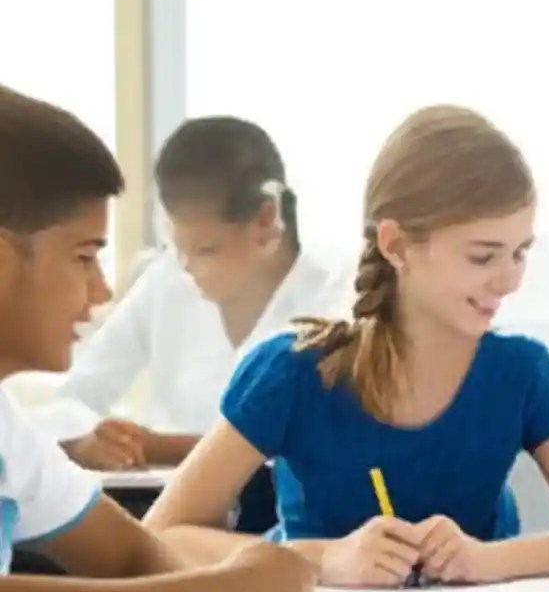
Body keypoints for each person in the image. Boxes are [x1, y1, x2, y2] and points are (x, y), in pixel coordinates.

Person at [144, 105, 549, 586]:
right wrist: (325, 559)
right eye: (483, 256)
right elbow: (163, 535)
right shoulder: (292, 372)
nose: (508, 282)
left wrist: (487, 559)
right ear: (396, 245)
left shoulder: (523, 371)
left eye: (520, 253)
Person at [0, 84, 314, 592]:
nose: (101, 291)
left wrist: (239, 577)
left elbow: (128, 553)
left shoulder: (7, 430)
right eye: (83, 256)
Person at [39, 117, 351, 532]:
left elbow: (317, 442)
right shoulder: (167, 281)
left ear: (266, 220)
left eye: (205, 250)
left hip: (287, 523)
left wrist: (158, 445)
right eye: (178, 248)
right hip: (162, 514)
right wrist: (91, 441)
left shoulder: (338, 293)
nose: (188, 268)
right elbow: (74, 395)